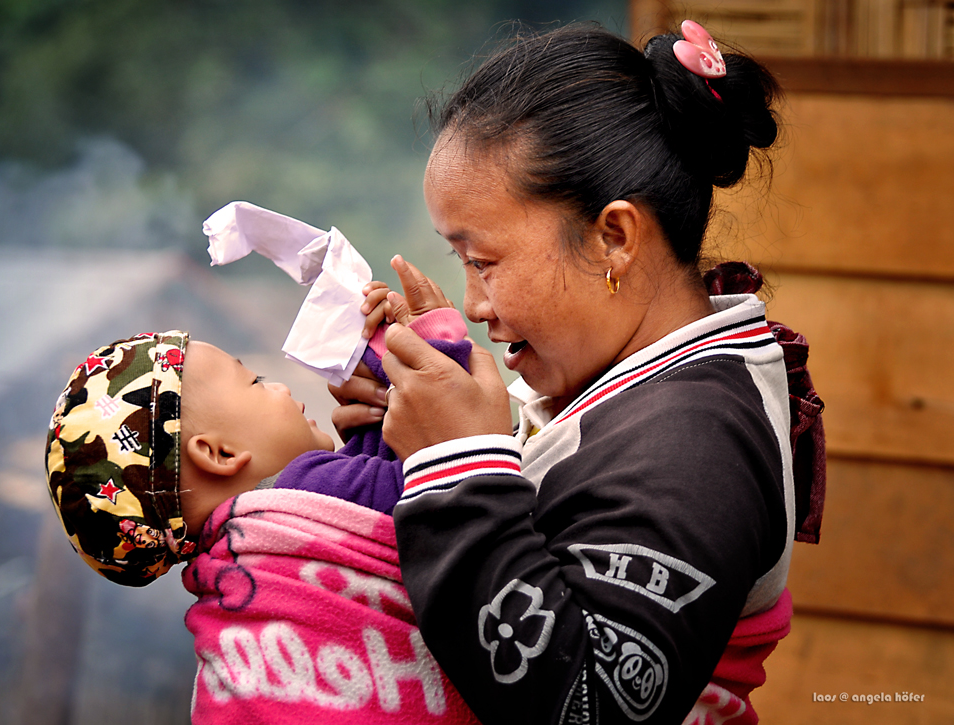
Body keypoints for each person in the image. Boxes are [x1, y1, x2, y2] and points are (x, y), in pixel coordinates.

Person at [330, 21, 825, 725]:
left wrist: (455, 465)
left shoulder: (694, 442)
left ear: (613, 238)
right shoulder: (656, 388)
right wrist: (442, 402)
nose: (473, 305)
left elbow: (591, 702)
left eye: (484, 261)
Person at [43, 260, 483, 723]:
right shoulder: (302, 490)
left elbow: (372, 478)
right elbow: (436, 475)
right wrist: (435, 346)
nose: (277, 386)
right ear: (219, 453)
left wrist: (379, 382)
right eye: (253, 381)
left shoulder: (238, 555)